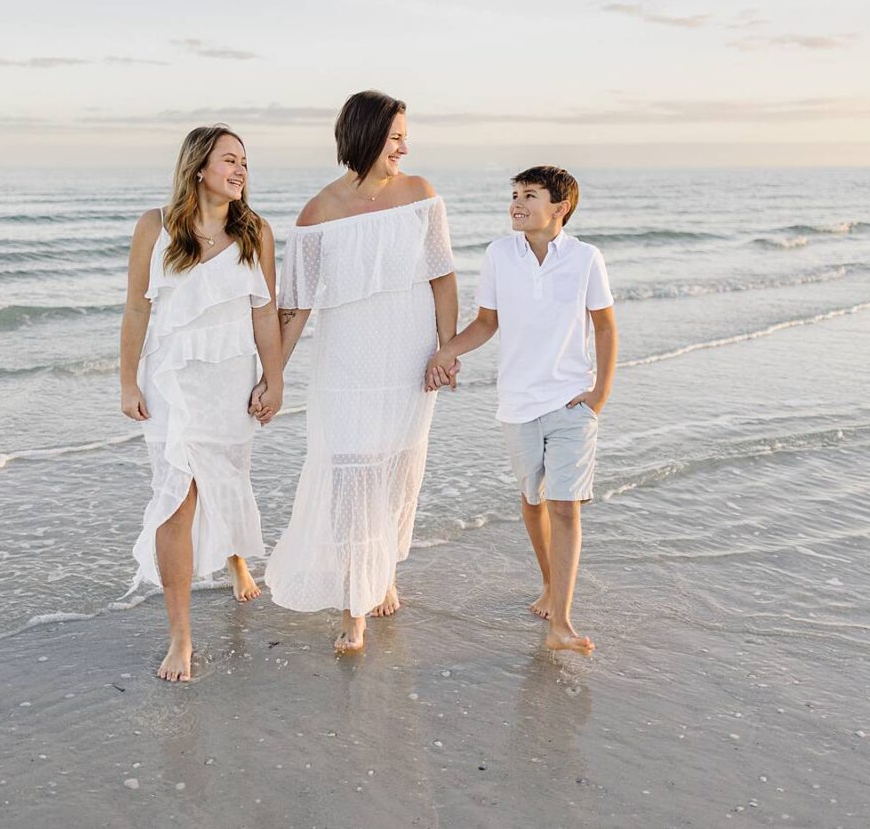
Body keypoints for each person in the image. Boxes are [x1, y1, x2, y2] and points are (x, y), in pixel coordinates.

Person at [264, 90, 458, 653]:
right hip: (346, 361)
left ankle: (383, 573)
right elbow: (294, 306)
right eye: (395, 135)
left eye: (405, 136)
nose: (404, 145)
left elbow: (442, 278)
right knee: (351, 474)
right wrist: (273, 374)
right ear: (367, 135)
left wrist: (446, 350)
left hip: (407, 353)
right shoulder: (318, 211)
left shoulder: (421, 195)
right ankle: (355, 606)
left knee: (398, 470)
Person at [426, 166, 616, 653]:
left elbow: (606, 327)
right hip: (517, 401)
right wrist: (447, 351)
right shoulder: (498, 254)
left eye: (529, 196)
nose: (516, 203)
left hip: (571, 400)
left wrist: (598, 396)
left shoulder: (585, 259)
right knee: (533, 501)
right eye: (514, 194)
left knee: (565, 506)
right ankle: (551, 585)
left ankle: (562, 624)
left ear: (560, 207)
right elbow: (487, 322)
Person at [120, 125, 283, 682]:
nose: (240, 170)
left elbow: (265, 312)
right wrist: (127, 382)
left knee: (226, 478)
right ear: (198, 167)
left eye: (244, 162)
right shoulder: (156, 227)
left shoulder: (255, 232)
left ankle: (236, 560)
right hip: (170, 380)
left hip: (229, 377)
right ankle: (181, 636)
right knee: (176, 496)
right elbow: (137, 310)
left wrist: (275, 379)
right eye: (229, 160)